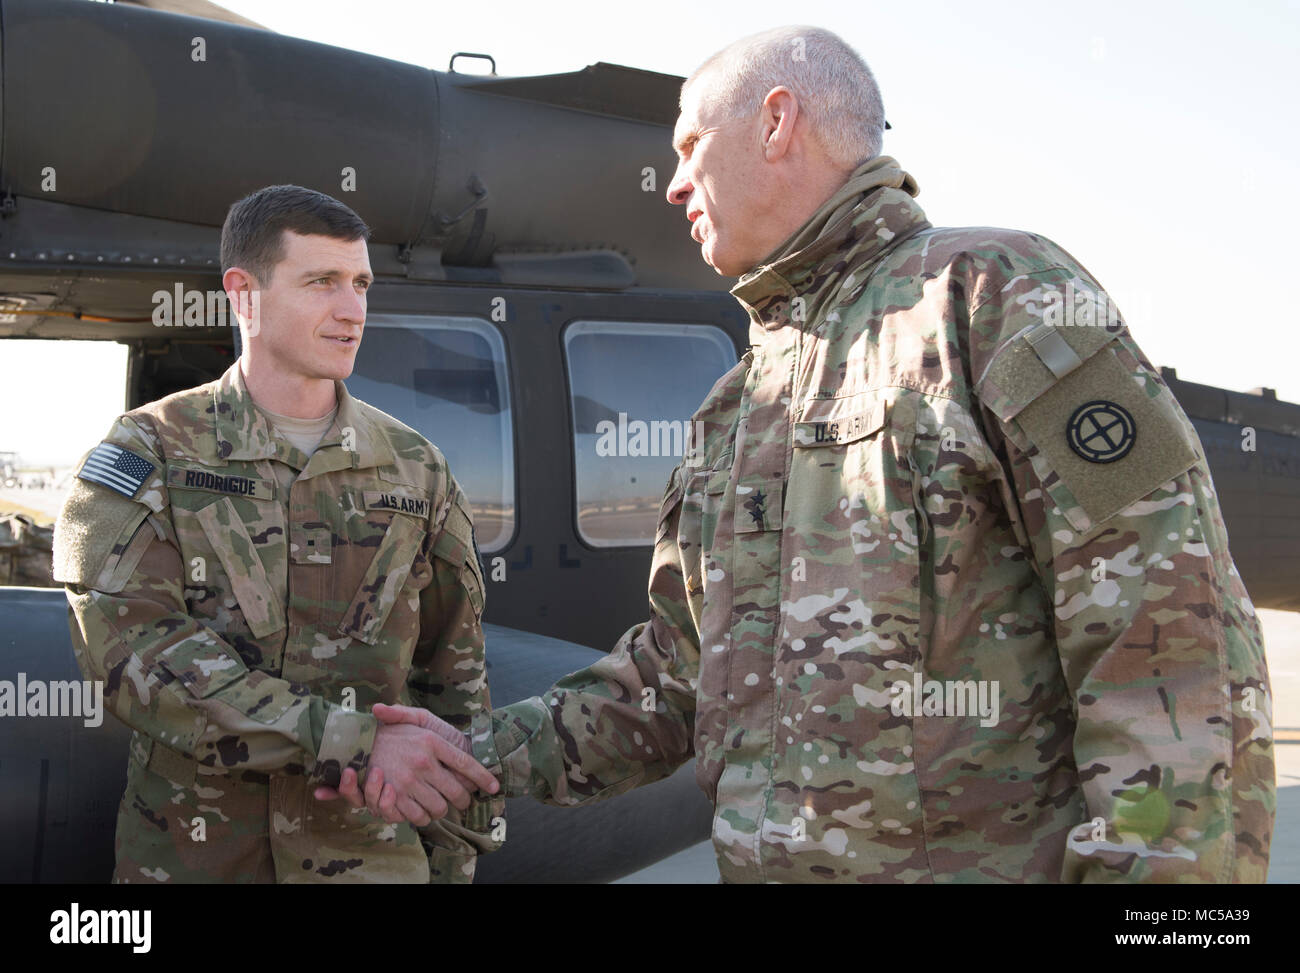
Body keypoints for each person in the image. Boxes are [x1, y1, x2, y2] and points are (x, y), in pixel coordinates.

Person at [326, 26, 1274, 883]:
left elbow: (1170, 634)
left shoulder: (989, 296)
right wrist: (464, 752)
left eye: (690, 145)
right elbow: (673, 681)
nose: (673, 185)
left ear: (777, 121)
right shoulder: (739, 404)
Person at [52, 185, 501, 884]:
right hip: (196, 860)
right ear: (245, 294)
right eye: (321, 281)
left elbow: (456, 682)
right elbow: (132, 655)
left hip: (371, 862)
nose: (351, 310)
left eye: (359, 284)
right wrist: (349, 741)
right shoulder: (150, 453)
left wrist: (453, 856)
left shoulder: (416, 467)